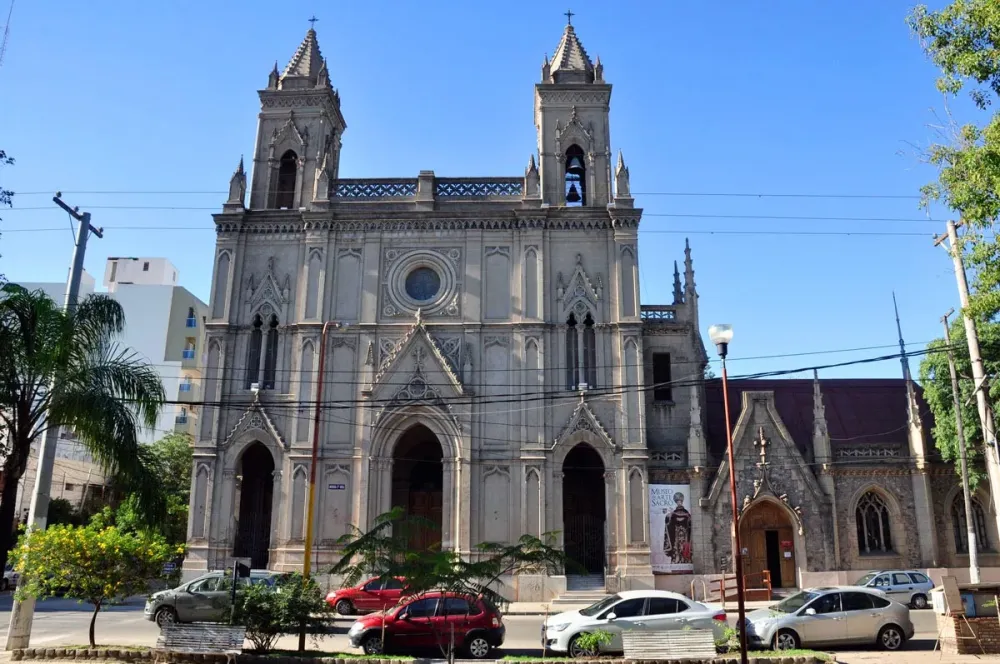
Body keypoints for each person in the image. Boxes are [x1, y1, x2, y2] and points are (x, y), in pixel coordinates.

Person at [663, 492, 693, 565]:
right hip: (683, 538)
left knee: (678, 550)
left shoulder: (671, 516)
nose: (679, 502)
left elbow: (668, 523)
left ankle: (678, 560)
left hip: (677, 539)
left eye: (680, 501)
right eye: (678, 501)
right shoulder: (688, 515)